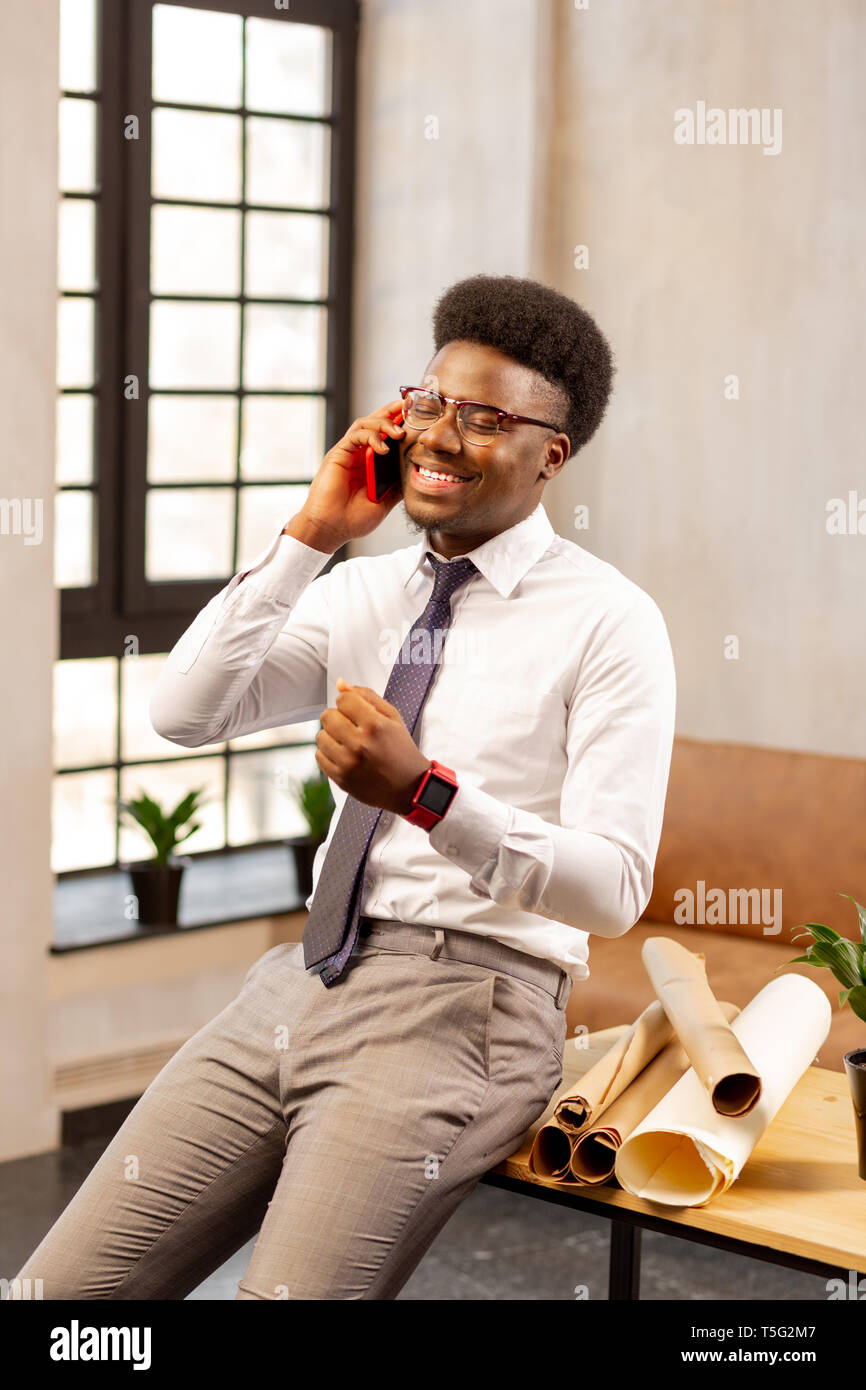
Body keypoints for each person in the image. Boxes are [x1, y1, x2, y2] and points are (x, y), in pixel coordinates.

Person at [14, 273, 675, 1299]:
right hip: (298, 981)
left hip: (472, 1001)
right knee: (57, 1304)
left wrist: (427, 796)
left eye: (486, 418)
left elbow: (614, 888)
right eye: (428, 403)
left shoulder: (609, 621)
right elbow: (185, 711)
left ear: (551, 452)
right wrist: (314, 532)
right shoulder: (359, 589)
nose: (441, 437)